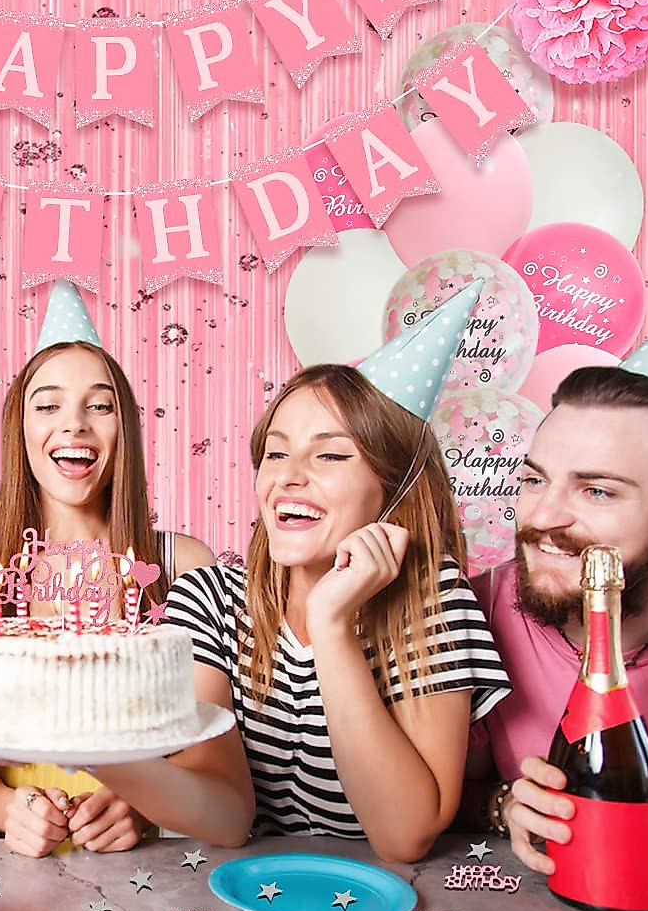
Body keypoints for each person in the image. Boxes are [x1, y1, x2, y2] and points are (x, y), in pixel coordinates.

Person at [89, 288, 512, 863]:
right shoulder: (208, 599)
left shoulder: (435, 602)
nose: (289, 476)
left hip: (386, 901)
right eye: (275, 453)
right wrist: (101, 756)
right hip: (237, 896)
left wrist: (331, 627)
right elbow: (224, 814)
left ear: (394, 488)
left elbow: (404, 835)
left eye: (330, 455)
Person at [0, 283, 214, 857]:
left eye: (99, 405)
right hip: (14, 864)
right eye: (48, 405)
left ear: (124, 427)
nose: (75, 424)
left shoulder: (183, 566)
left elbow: (211, 747)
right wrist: (6, 808)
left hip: (154, 864)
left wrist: (147, 803)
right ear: (19, 430)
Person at [463, 352, 648, 875]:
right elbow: (427, 801)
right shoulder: (472, 611)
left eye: (596, 490)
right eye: (535, 481)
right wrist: (504, 804)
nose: (542, 516)